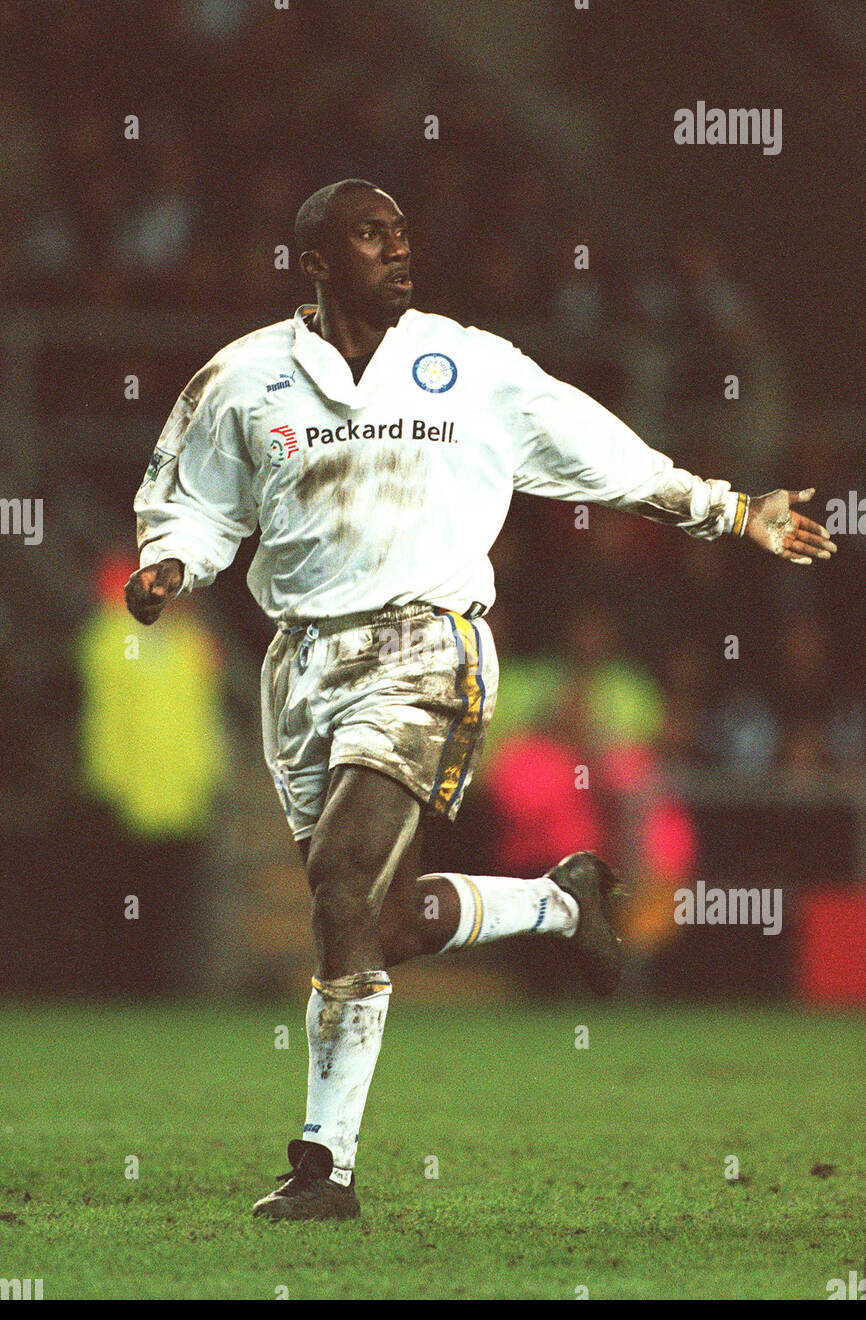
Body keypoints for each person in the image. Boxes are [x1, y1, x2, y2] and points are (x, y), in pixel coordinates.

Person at [125, 179, 837, 1221]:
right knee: (381, 918)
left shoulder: (470, 365)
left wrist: (728, 509)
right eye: (371, 235)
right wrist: (172, 567)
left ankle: (324, 1168)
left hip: (428, 642)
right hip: (302, 663)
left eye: (404, 233)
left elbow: (601, 453)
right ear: (315, 259)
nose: (397, 249)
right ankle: (559, 901)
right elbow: (190, 504)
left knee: (339, 894)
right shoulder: (243, 378)